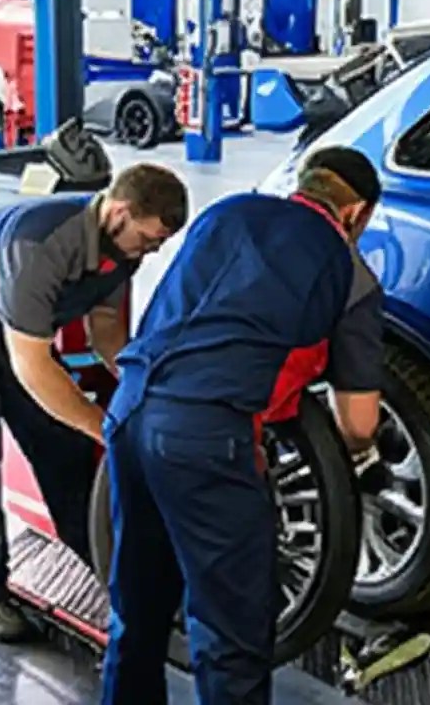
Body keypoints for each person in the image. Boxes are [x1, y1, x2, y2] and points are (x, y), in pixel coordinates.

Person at [101, 146, 385, 704]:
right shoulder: (351, 274)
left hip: (130, 407)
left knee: (137, 604)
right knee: (232, 634)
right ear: (354, 214)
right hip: (204, 438)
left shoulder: (225, 213)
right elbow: (359, 423)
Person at [0, 163, 189, 641]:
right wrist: (105, 426)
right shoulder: (40, 244)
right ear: (119, 212)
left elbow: (107, 332)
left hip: (16, 329)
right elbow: (33, 368)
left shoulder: (121, 249)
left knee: (64, 448)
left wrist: (142, 397)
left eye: (158, 244)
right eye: (146, 240)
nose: (150, 251)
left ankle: (108, 559)